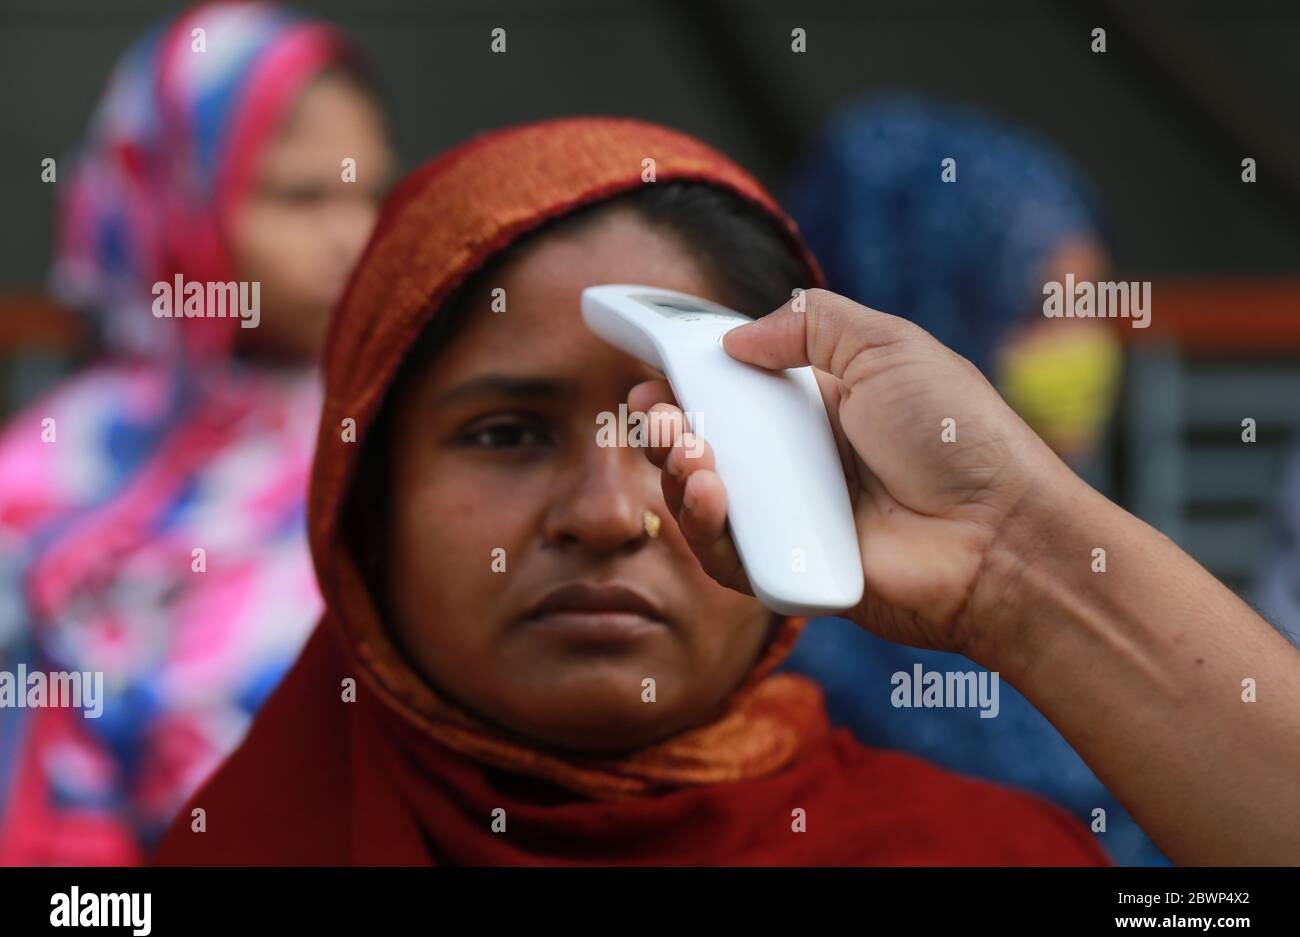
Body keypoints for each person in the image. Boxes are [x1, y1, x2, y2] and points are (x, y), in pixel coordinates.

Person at [153, 116, 1300, 866]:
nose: (606, 513)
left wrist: (1012, 570)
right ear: (364, 499)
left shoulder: (974, 852)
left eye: (683, 432)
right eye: (504, 433)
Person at [0, 1, 396, 864]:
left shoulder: (397, 442)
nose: (351, 236)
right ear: (173, 196)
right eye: (302, 196)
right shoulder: (39, 482)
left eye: (369, 191)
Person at [777, 93, 1157, 862]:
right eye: (1037, 311)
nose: (1079, 350)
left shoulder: (1108, 554)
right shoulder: (779, 628)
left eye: (1090, 309)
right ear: (920, 311)